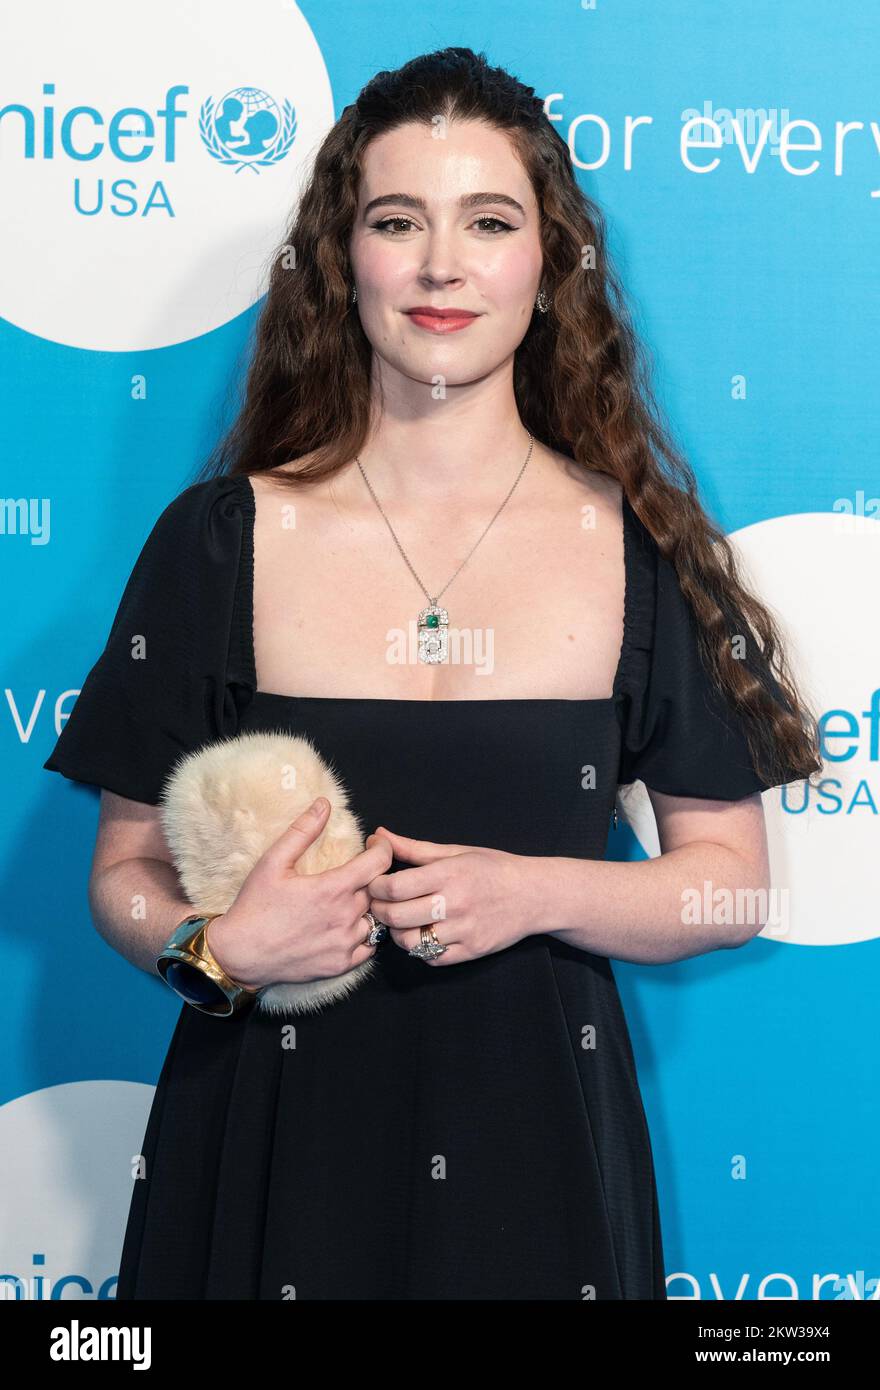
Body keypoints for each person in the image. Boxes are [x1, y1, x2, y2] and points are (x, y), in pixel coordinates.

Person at [43, 46, 821, 1301]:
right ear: (342, 257)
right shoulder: (219, 539)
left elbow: (726, 889)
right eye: (397, 220)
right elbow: (120, 876)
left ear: (548, 261)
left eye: (489, 221)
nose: (441, 265)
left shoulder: (641, 551)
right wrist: (219, 946)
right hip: (263, 1151)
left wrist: (533, 893)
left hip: (540, 1160)